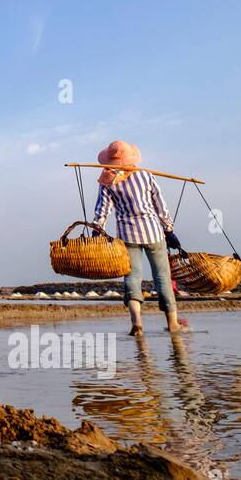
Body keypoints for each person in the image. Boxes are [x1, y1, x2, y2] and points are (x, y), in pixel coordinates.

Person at [89, 141, 189, 336]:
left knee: (132, 277)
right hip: (153, 232)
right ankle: (173, 323)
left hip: (127, 234)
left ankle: (137, 323)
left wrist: (97, 227)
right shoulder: (145, 175)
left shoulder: (107, 180)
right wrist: (168, 229)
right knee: (162, 277)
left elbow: (102, 209)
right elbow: (160, 204)